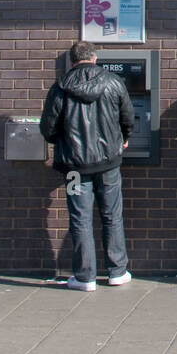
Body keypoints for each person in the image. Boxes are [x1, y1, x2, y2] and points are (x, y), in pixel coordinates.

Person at [39, 40, 134, 291]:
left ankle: (85, 277)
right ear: (94, 59)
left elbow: (48, 129)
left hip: (74, 167)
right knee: (112, 216)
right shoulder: (114, 82)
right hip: (108, 163)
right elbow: (128, 118)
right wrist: (123, 139)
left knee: (80, 219)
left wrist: (64, 141)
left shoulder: (60, 88)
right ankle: (117, 271)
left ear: (71, 62)